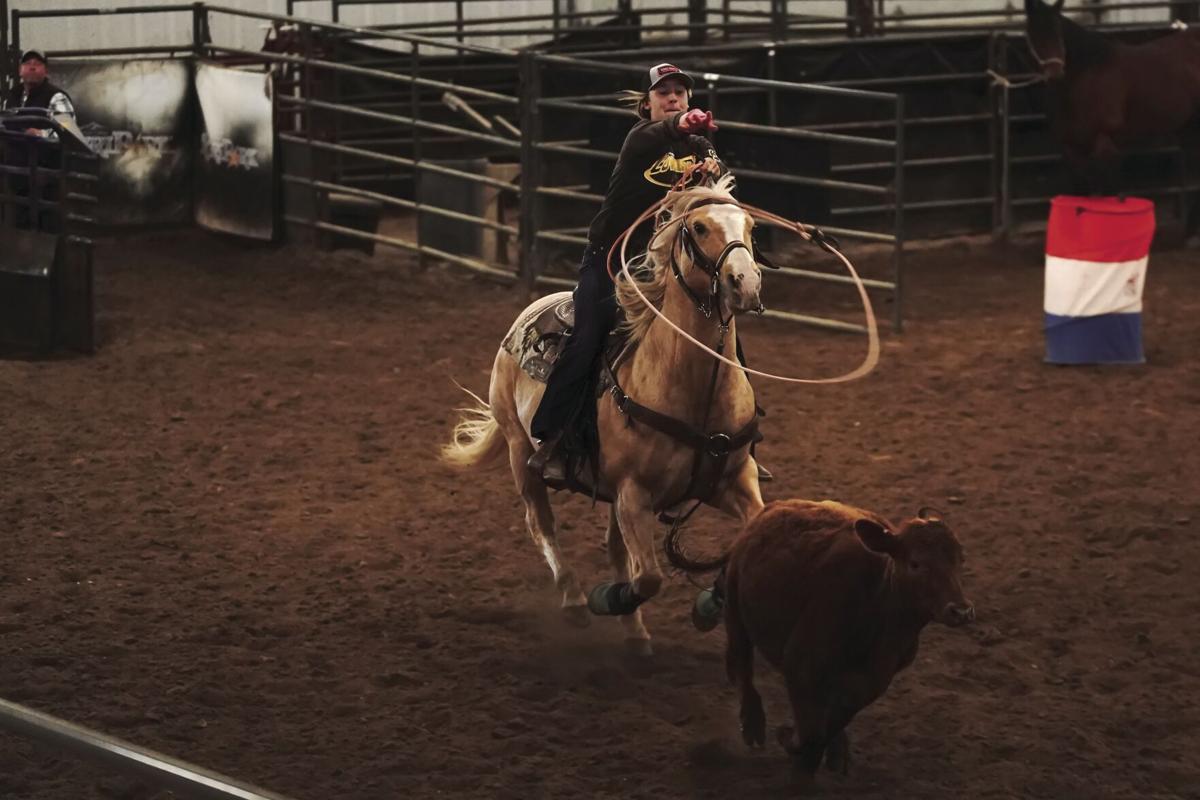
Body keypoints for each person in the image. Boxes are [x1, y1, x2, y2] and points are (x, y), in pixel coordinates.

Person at [529, 63, 772, 482]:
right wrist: (681, 123)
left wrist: (709, 175)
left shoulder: (700, 148)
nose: (673, 97)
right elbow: (660, 133)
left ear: (690, 98)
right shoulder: (639, 140)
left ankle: (739, 439)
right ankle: (554, 437)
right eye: (663, 93)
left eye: (680, 92)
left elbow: (720, 188)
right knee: (589, 335)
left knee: (722, 331)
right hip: (610, 261)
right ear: (648, 103)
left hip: (662, 268)